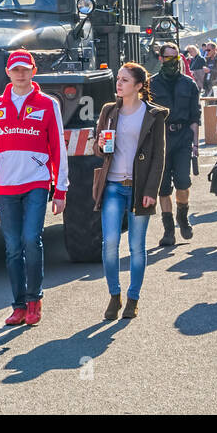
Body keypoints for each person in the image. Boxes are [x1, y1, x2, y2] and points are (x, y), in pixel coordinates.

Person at [0, 49, 69, 327]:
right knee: (13, 247)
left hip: (37, 184)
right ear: (8, 72)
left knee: (31, 239)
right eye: (16, 70)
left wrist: (60, 189)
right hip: (5, 187)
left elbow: (58, 148)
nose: (20, 74)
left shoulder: (48, 103)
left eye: (25, 69)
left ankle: (34, 300)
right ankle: (18, 306)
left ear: (33, 71)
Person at [94, 62, 167, 320]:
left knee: (137, 246)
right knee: (110, 242)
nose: (119, 84)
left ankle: (133, 298)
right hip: (112, 184)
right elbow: (98, 149)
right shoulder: (109, 111)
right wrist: (101, 144)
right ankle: (114, 295)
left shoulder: (153, 115)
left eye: (125, 80)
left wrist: (151, 190)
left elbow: (158, 156)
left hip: (139, 187)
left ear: (138, 86)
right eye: (118, 79)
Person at [148, 41, 201, 246]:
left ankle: (182, 216)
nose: (172, 61)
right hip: (160, 138)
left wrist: (195, 145)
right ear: (161, 59)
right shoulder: (151, 84)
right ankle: (168, 229)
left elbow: (195, 117)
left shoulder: (189, 84)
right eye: (168, 57)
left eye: (175, 57)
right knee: (163, 188)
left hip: (182, 138)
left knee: (183, 181)